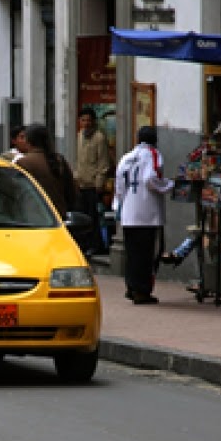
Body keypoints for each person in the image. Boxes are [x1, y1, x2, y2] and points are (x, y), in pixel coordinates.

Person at [112, 126, 175, 305]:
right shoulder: (153, 154)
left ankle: (132, 287)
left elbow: (119, 185)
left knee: (133, 253)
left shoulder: (126, 157)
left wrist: (119, 207)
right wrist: (169, 185)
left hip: (129, 213)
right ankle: (142, 290)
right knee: (149, 253)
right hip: (147, 213)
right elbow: (150, 179)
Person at [15, 123, 78, 218]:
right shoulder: (59, 159)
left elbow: (16, 195)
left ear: (28, 141)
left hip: (32, 218)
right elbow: (72, 194)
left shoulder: (23, 163)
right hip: (58, 217)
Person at [75, 107, 114, 254]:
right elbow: (79, 160)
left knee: (94, 217)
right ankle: (85, 244)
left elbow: (103, 163)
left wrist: (99, 182)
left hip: (93, 184)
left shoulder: (99, 138)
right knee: (83, 216)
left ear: (93, 121)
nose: (86, 123)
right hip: (82, 183)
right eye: (83, 120)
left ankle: (96, 245)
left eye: (89, 120)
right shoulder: (79, 136)